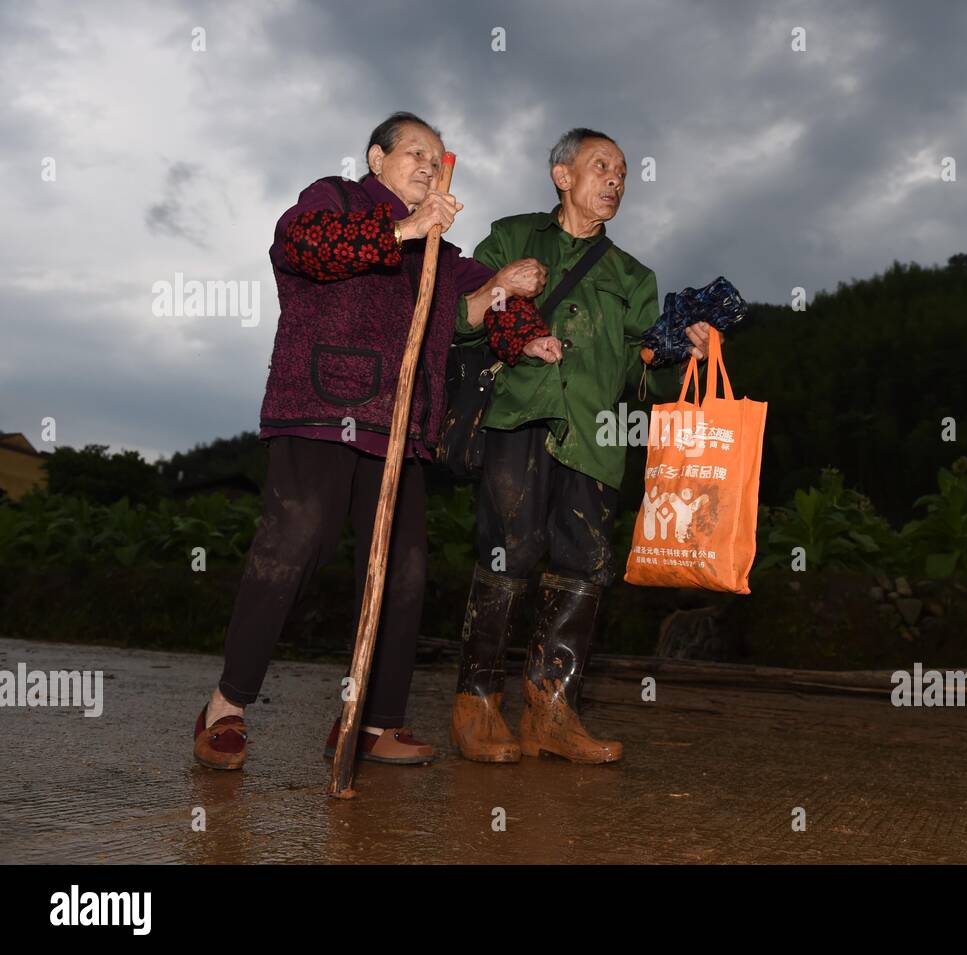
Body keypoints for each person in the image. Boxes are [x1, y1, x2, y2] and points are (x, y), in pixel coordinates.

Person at [194, 112, 545, 771]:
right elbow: (302, 246)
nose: (427, 166)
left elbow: (478, 309)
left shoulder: (442, 250)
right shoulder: (337, 200)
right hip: (322, 406)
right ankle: (226, 706)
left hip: (401, 429)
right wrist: (406, 229)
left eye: (438, 160)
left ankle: (371, 721)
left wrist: (517, 310)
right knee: (298, 542)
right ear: (376, 158)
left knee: (400, 570)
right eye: (415, 152)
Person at [448, 128, 713, 765]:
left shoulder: (634, 276)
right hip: (520, 416)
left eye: (623, 171)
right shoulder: (511, 237)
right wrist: (500, 287)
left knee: (583, 567)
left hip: (596, 436)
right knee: (508, 552)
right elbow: (459, 323)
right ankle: (477, 705)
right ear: (563, 176)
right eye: (602, 166)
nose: (617, 179)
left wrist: (686, 353)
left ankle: (552, 712)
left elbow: (641, 376)